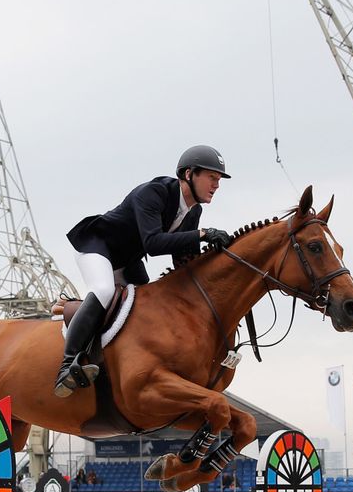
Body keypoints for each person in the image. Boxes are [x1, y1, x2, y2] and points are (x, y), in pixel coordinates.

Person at [54, 144, 233, 396]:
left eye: (218, 180)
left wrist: (217, 260)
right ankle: (66, 366)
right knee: (104, 290)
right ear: (190, 174)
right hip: (98, 246)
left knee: (149, 306)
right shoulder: (154, 193)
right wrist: (202, 234)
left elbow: (183, 260)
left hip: (128, 259)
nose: (217, 185)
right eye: (212, 178)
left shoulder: (194, 211)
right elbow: (153, 243)